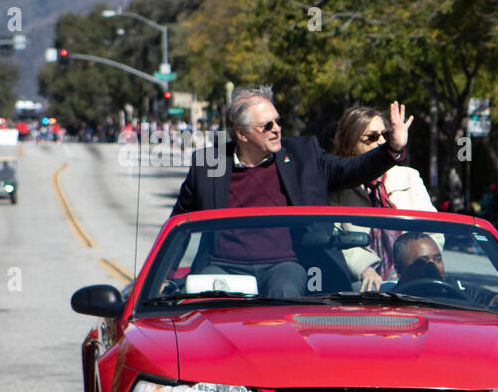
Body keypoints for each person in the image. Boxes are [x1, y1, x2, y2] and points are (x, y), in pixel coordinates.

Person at [171, 86, 413, 298]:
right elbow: (178, 224)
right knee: (209, 308)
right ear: (242, 134)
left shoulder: (303, 154)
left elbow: (351, 169)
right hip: (223, 266)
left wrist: (392, 149)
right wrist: (165, 275)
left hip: (284, 265)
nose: (277, 129)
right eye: (267, 126)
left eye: (278, 121)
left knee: (284, 292)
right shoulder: (209, 163)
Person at [329, 105, 435, 289]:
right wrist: (366, 269)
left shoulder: (410, 177)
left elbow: (434, 230)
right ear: (351, 145)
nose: (380, 142)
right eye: (372, 137)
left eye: (385, 136)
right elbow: (334, 238)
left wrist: (412, 265)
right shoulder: (337, 187)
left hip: (415, 276)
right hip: (360, 284)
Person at [389, 232, 498, 309]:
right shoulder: (384, 302)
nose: (433, 266)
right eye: (422, 262)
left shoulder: (461, 292)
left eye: (437, 259)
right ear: (399, 270)